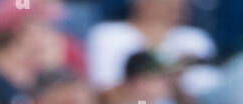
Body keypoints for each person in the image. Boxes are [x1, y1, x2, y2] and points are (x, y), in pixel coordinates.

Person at [86, 0, 216, 94]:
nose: (177, 4)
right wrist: (159, 71)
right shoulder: (108, 35)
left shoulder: (196, 39)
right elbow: (102, 94)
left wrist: (175, 80)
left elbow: (210, 103)